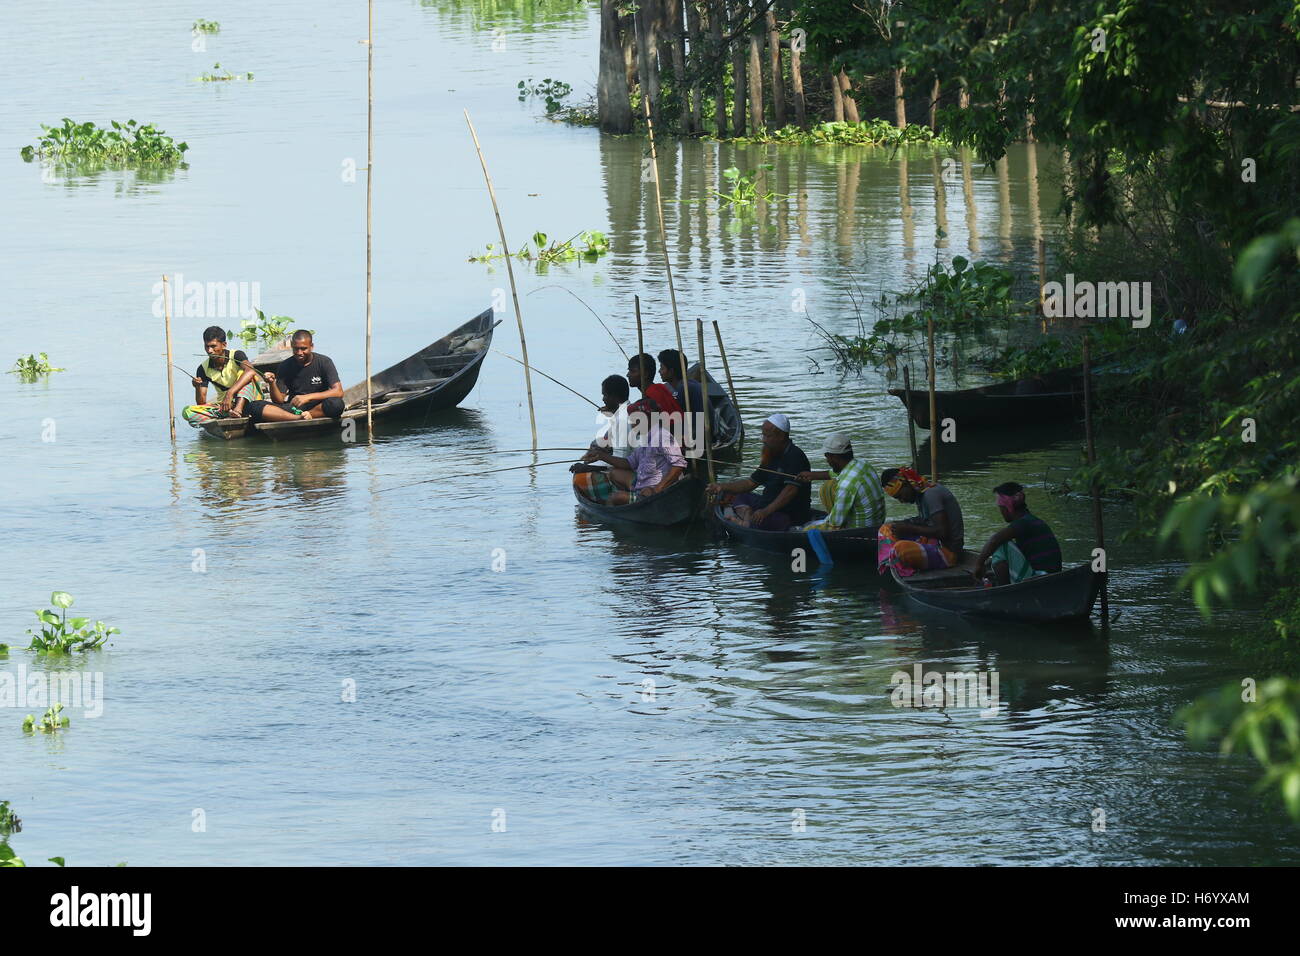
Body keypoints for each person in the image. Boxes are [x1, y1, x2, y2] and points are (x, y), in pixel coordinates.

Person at [705, 413, 812, 530]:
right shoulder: (771, 454)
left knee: (761, 521)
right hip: (765, 505)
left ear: (781, 436)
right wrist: (721, 486)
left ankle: (744, 522)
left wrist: (765, 511)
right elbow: (750, 483)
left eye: (767, 436)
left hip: (788, 514)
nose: (763, 440)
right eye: (763, 435)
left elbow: (790, 491)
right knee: (729, 494)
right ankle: (747, 518)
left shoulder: (795, 456)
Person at [571, 398, 687, 505]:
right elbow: (629, 463)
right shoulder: (646, 438)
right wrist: (601, 456)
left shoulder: (662, 436)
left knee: (614, 498)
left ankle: (617, 516)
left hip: (657, 493)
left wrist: (658, 489)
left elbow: (678, 465)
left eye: (634, 420)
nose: (631, 424)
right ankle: (632, 495)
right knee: (615, 473)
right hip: (645, 485)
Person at [243, 330, 345, 423]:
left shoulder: (324, 362)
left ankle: (311, 415)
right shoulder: (285, 365)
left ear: (311, 346)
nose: (299, 353)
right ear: (292, 346)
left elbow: (338, 391)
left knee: (337, 404)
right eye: (296, 349)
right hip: (295, 409)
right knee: (253, 406)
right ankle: (299, 418)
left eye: (303, 349)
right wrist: (272, 383)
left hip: (319, 407)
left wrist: (308, 397)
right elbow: (278, 400)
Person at [877, 466, 965, 573]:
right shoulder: (921, 495)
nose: (902, 501)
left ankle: (898, 565)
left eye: (900, 496)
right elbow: (927, 522)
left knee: (899, 548)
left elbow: (942, 532)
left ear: (906, 484)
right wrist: (901, 526)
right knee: (887, 528)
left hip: (949, 553)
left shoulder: (930, 494)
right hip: (934, 543)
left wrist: (908, 528)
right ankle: (892, 564)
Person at [973, 482, 1063, 586]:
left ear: (1007, 507)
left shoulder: (1024, 523)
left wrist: (979, 564)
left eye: (1000, 507)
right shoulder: (1031, 520)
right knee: (999, 550)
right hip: (1050, 576)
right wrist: (988, 564)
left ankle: (1004, 591)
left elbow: (994, 540)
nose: (1001, 511)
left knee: (1001, 546)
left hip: (1041, 578)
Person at [798, 433, 885, 530]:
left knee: (806, 528)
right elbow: (834, 473)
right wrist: (812, 475)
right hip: (877, 524)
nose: (827, 461)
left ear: (835, 457)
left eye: (827, 457)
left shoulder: (846, 485)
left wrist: (805, 530)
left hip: (858, 531)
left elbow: (833, 525)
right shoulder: (863, 464)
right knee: (828, 487)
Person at [181, 326, 265, 425]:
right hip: (225, 406)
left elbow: (251, 371)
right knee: (187, 411)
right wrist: (197, 387)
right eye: (207, 346)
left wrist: (230, 393)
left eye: (213, 346)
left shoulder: (236, 355)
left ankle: (238, 409)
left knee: (245, 374)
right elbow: (201, 403)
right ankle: (228, 413)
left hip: (249, 400)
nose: (209, 351)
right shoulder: (203, 369)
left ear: (224, 345)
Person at [626, 353, 681, 417]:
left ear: (645, 374)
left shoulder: (652, 396)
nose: (628, 375)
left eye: (633, 371)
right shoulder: (659, 388)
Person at [657, 348, 705, 420]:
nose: (659, 371)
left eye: (662, 368)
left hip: (698, 428)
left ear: (671, 371)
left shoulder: (684, 388)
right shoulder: (690, 383)